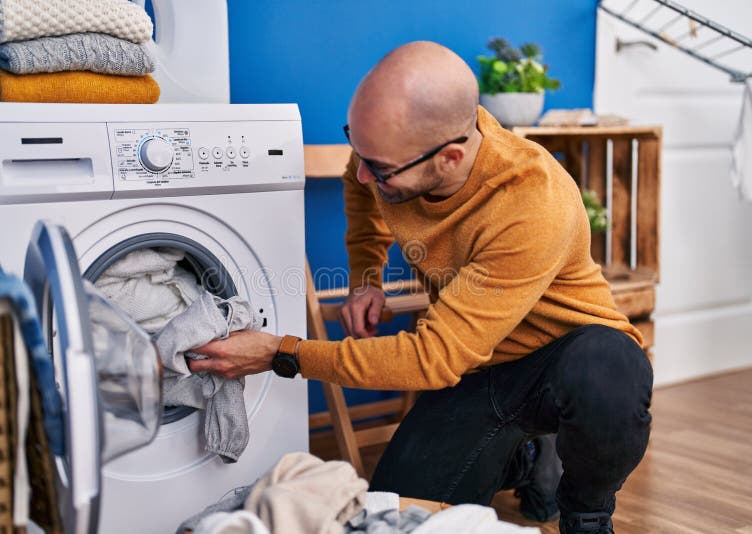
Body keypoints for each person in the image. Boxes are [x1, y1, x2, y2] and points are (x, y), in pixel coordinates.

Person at [190, 41, 652, 534]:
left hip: (563, 359)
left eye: (381, 169)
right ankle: (526, 458)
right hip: (477, 367)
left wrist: (281, 354)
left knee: (610, 369)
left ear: (450, 157)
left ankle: (586, 511)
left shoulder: (531, 201)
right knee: (398, 513)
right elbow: (358, 186)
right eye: (358, 149)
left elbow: (432, 358)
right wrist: (365, 279)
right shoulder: (387, 154)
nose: (366, 173)